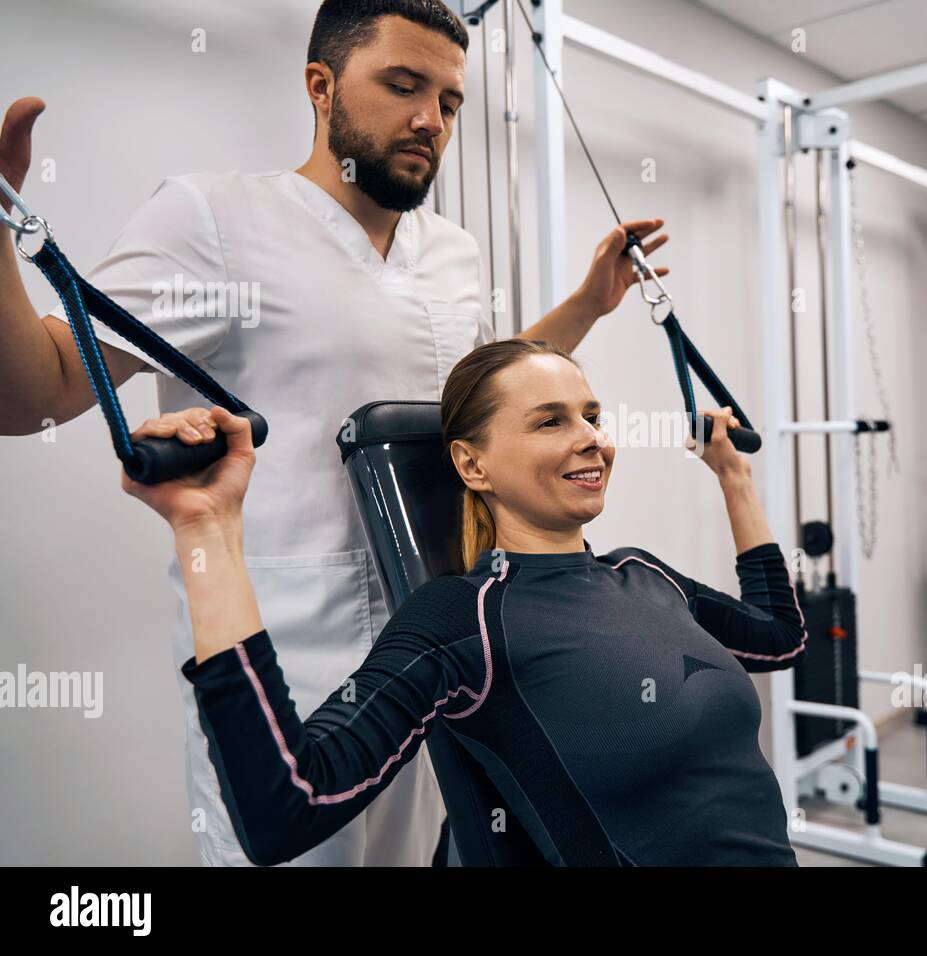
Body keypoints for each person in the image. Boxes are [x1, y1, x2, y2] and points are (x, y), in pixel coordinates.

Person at [0, 0, 669, 865]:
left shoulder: (453, 255)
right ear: (321, 87)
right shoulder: (212, 219)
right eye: (401, 84)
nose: (430, 119)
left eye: (450, 100)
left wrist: (589, 302)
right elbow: (37, 393)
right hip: (282, 680)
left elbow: (479, 397)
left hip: (434, 664)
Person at [122, 338, 807, 866]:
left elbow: (782, 636)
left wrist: (735, 479)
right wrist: (205, 529)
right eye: (550, 422)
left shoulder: (645, 576)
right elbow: (286, 803)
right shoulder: (463, 618)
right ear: (472, 465)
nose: (590, 438)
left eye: (592, 416)